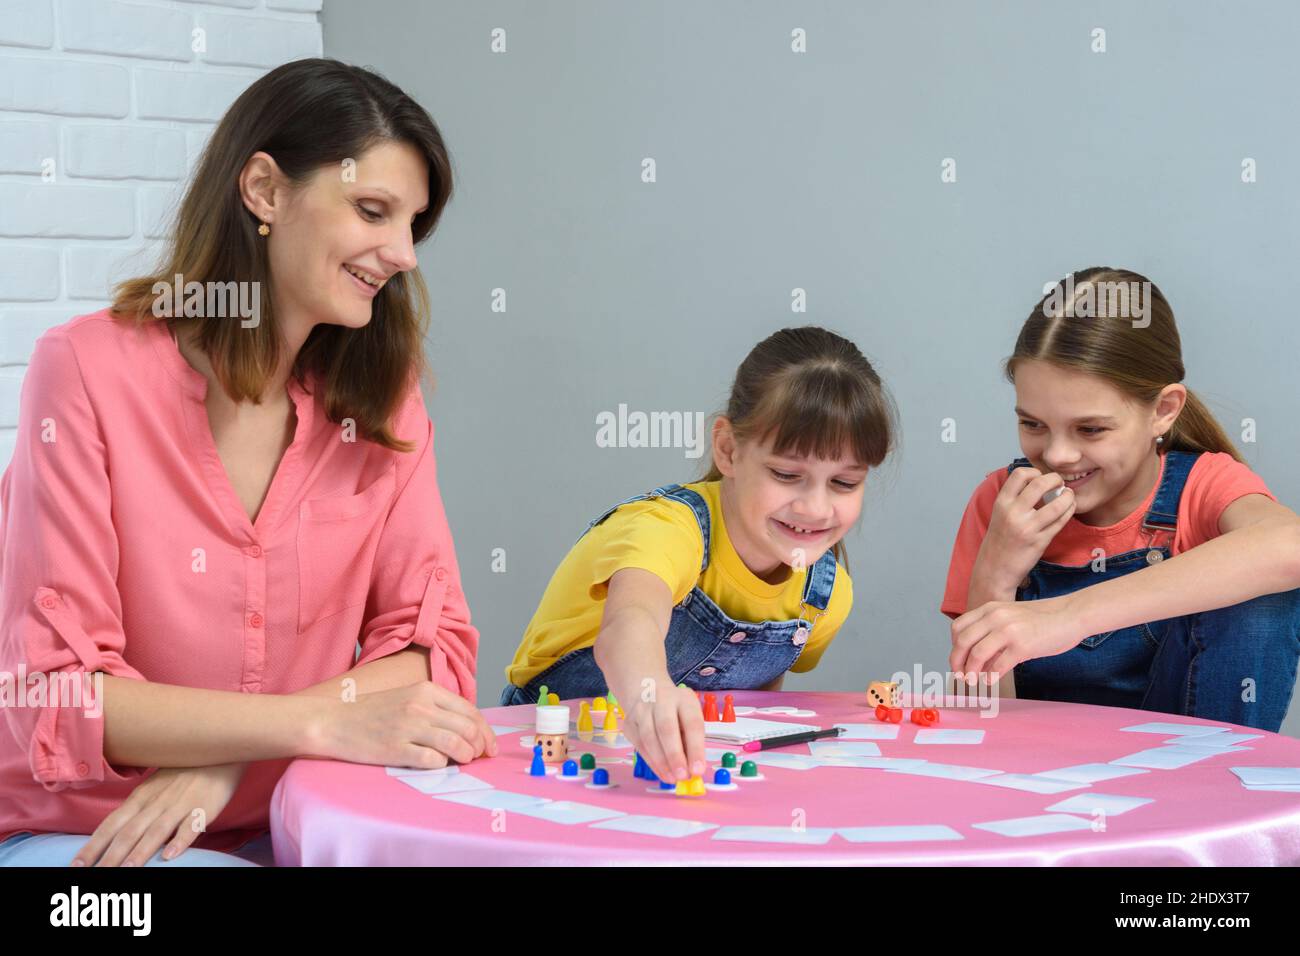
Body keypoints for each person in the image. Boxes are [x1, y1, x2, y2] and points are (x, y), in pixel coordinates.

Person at [0, 58, 496, 867]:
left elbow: (428, 654)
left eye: (414, 225)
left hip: (301, 821)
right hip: (83, 841)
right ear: (264, 190)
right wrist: (314, 721)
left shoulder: (382, 401)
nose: (403, 253)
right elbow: (62, 692)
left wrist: (227, 763)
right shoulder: (85, 371)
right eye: (373, 210)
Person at [502, 326, 897, 783]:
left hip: (684, 773)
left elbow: (750, 705)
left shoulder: (824, 598)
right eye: (787, 474)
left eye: (844, 483)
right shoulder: (666, 529)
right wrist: (649, 693)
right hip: (551, 754)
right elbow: (631, 623)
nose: (815, 507)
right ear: (728, 450)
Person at [944, 268, 1300, 731]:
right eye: (1033, 424)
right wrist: (993, 582)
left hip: (1181, 776)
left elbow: (1288, 546)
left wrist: (1068, 616)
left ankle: (1216, 797)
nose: (1056, 454)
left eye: (1090, 429)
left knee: (1263, 596)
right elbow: (978, 728)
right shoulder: (1004, 502)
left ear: (1163, 411)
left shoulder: (1202, 486)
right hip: (1045, 779)